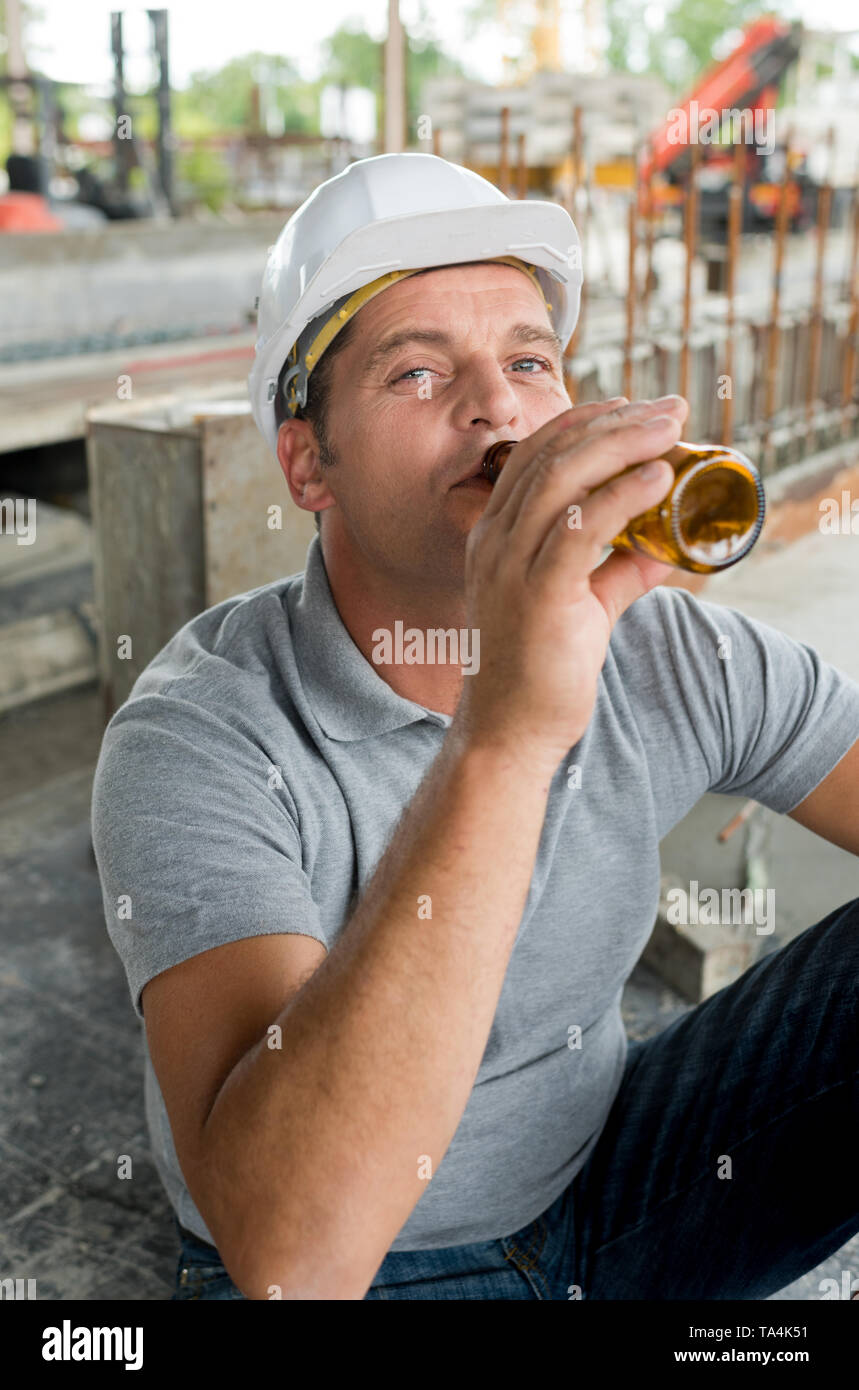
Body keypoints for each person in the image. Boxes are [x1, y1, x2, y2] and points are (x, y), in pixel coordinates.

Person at [91, 153, 859, 1301]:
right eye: (415, 372)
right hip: (370, 1261)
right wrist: (507, 732)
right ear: (309, 462)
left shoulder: (667, 651)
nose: (496, 406)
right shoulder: (198, 736)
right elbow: (293, 1254)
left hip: (613, 1175)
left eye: (528, 359)